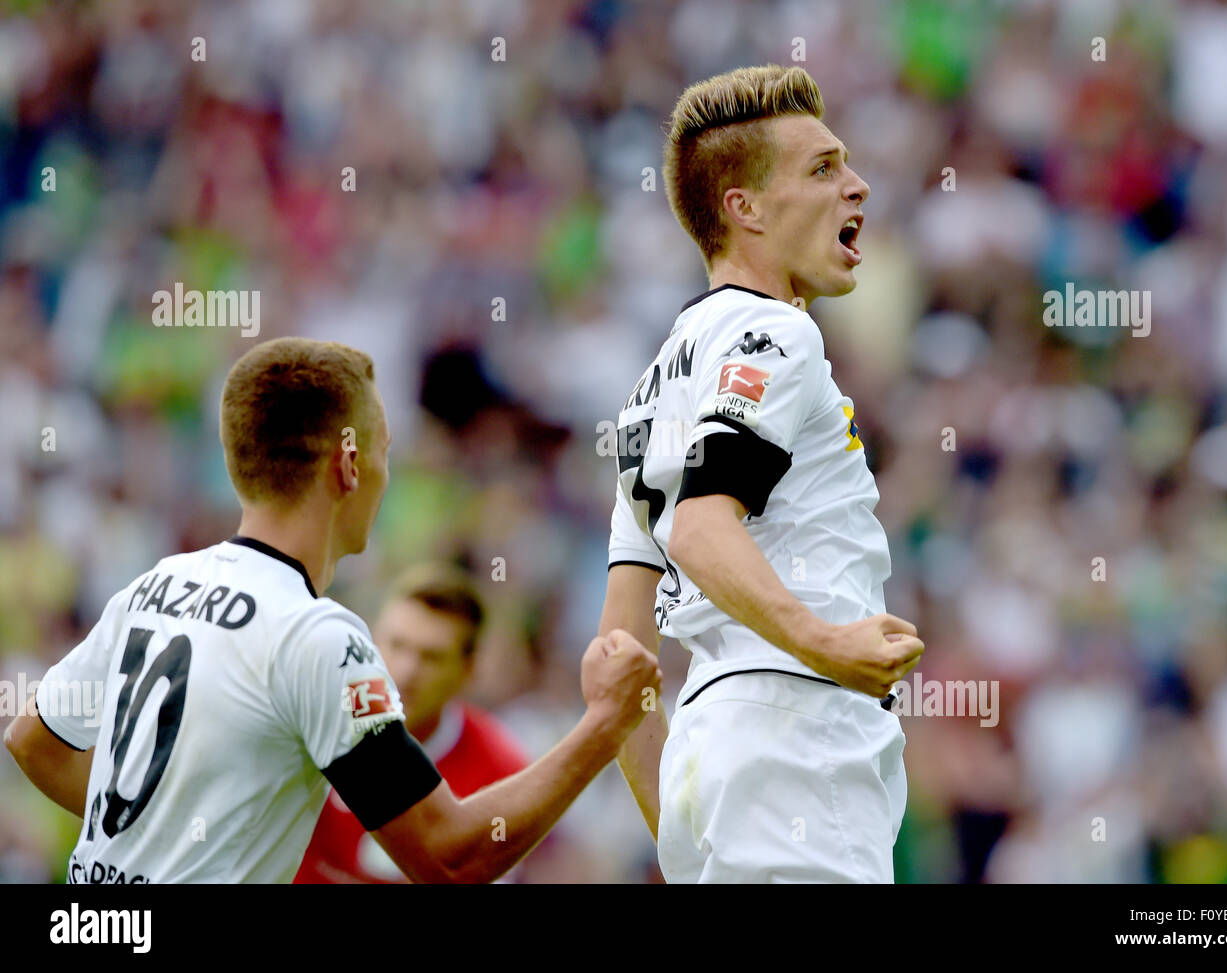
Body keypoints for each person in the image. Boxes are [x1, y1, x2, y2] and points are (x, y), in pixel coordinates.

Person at [5, 337, 659, 884]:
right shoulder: (316, 637)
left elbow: (33, 739)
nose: (385, 472)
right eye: (384, 451)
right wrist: (605, 724)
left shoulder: (153, 586)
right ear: (348, 463)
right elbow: (449, 854)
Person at [598, 64, 925, 883]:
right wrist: (826, 644)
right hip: (796, 732)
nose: (857, 186)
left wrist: (676, 818)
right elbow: (706, 524)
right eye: (822, 169)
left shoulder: (650, 392)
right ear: (744, 209)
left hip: (715, 745)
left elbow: (616, 655)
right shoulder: (774, 332)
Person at [294, 565, 532, 883]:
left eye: (431, 657)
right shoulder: (320, 715)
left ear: (468, 669)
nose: (406, 672)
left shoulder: (500, 773)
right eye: (396, 645)